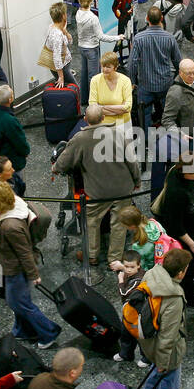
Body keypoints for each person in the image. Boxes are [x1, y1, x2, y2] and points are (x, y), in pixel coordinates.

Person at [53, 105, 139, 269]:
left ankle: (91, 255)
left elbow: (63, 163)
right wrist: (136, 181)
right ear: (103, 118)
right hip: (122, 188)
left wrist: (55, 168)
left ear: (85, 119)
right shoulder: (119, 134)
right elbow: (132, 161)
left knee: (91, 220)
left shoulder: (80, 138)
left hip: (97, 191)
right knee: (119, 223)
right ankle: (114, 259)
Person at [0, 181, 61, 348]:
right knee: (17, 301)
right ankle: (23, 331)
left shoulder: (10, 226)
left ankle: (48, 333)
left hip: (15, 269)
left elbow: (24, 253)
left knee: (20, 303)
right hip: (8, 265)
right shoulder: (13, 207)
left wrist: (34, 275)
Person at [136, 249, 191, 389]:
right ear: (180, 272)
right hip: (166, 351)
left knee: (154, 374)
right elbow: (168, 336)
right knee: (169, 384)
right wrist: (164, 362)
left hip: (148, 341)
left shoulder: (152, 274)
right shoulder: (173, 296)